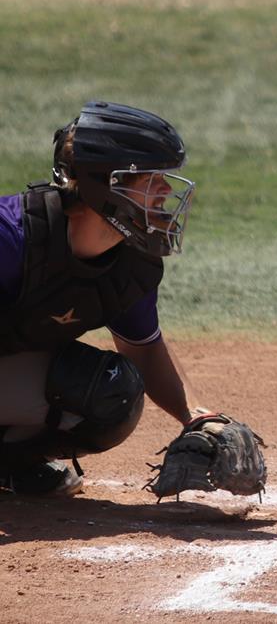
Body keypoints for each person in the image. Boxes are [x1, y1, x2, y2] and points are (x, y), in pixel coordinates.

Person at [0, 102, 244, 496]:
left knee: (110, 392)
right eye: (152, 179)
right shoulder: (10, 239)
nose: (166, 191)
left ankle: (9, 463)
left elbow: (144, 350)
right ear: (107, 186)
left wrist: (199, 417)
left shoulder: (129, 264)